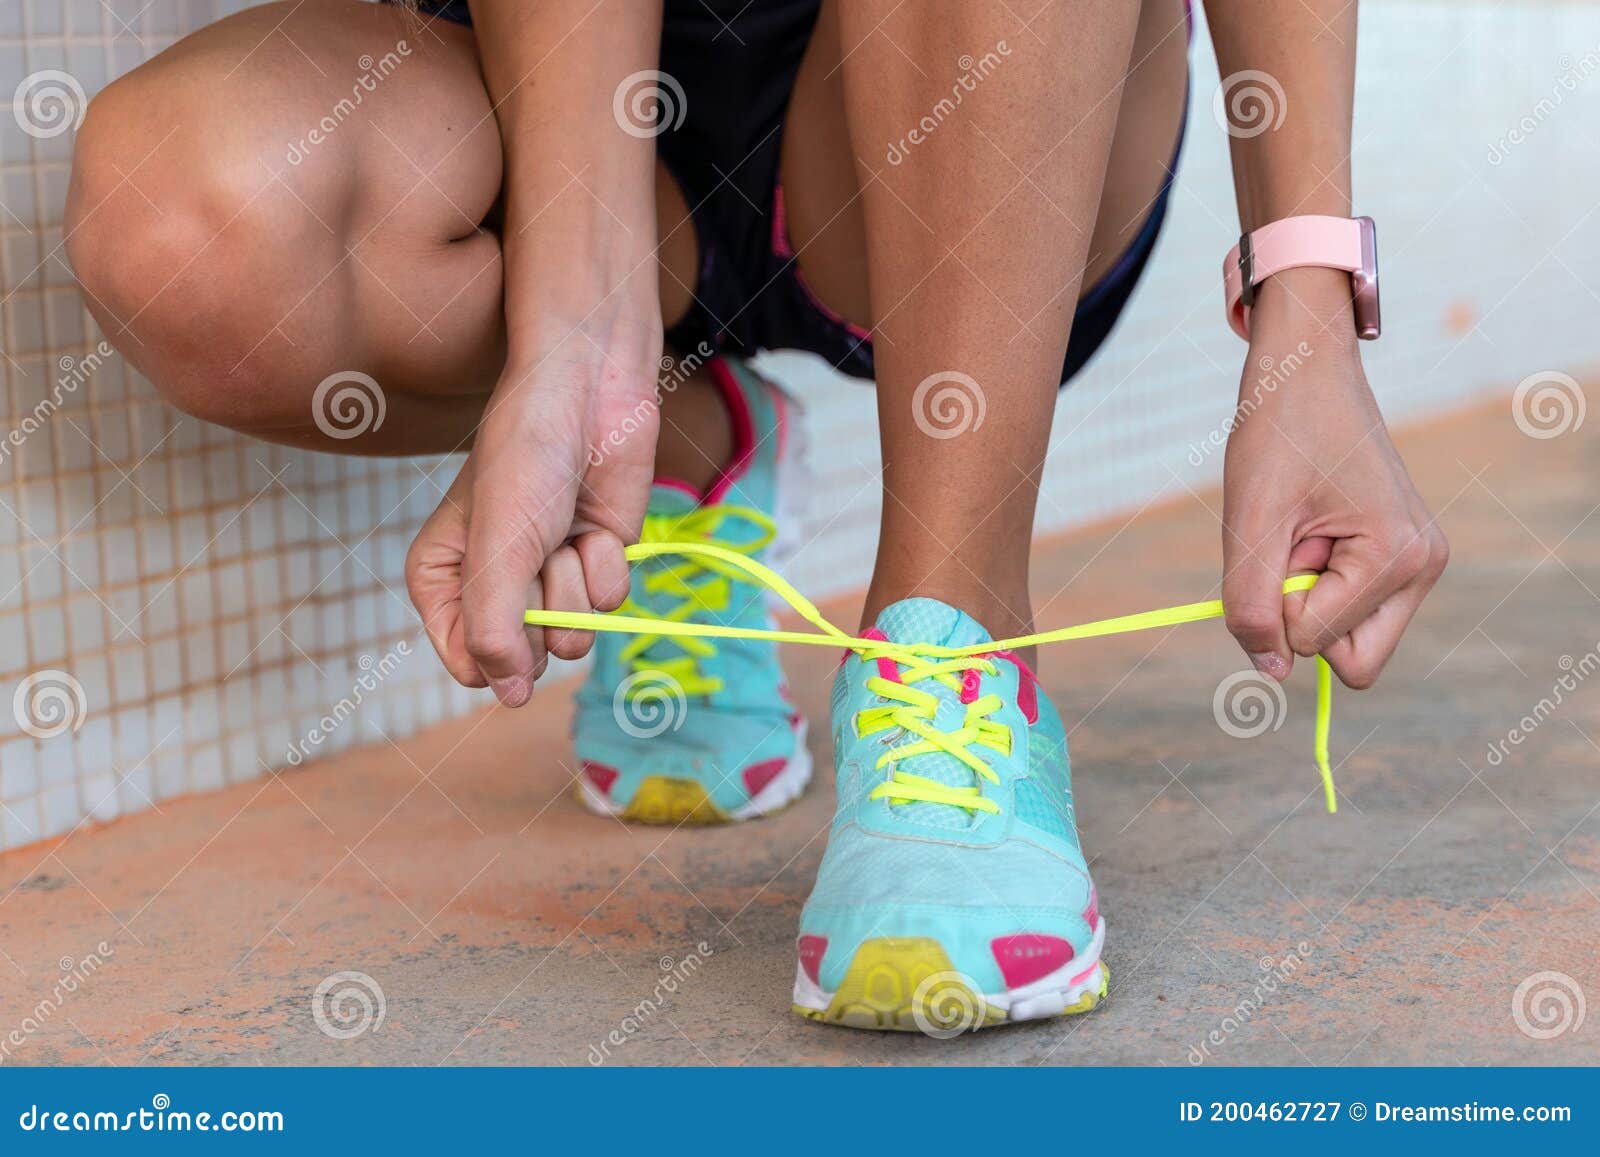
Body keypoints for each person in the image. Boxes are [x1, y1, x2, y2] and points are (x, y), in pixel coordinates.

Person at [64, 0, 1446, 1031]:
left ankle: (949, 645)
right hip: (552, 94)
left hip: (991, 84)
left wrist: (1309, 301)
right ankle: (680, 442)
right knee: (188, 224)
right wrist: (577, 340)